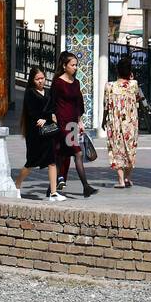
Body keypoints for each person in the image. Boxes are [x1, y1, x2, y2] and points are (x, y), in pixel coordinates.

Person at [14, 66, 65, 201]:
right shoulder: (30, 93)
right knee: (31, 163)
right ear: (32, 80)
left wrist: (47, 117)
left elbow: (52, 110)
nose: (41, 81)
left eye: (42, 78)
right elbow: (32, 112)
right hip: (34, 134)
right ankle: (17, 185)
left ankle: (53, 193)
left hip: (47, 133)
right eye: (37, 79)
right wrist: (43, 117)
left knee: (51, 161)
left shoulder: (47, 92)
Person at [51, 51, 97, 197]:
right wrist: (53, 117)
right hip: (62, 123)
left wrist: (80, 121)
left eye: (76, 65)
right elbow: (51, 102)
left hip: (72, 124)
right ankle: (86, 187)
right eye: (72, 65)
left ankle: (51, 187)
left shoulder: (76, 83)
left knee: (62, 156)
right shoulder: (58, 83)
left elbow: (78, 104)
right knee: (77, 152)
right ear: (64, 66)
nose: (75, 67)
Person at [105, 55, 143, 187]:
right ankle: (128, 178)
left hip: (114, 121)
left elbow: (106, 105)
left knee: (117, 148)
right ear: (130, 72)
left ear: (117, 70)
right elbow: (139, 98)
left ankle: (120, 180)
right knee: (130, 148)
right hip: (130, 122)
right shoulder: (133, 84)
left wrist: (103, 120)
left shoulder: (109, 86)